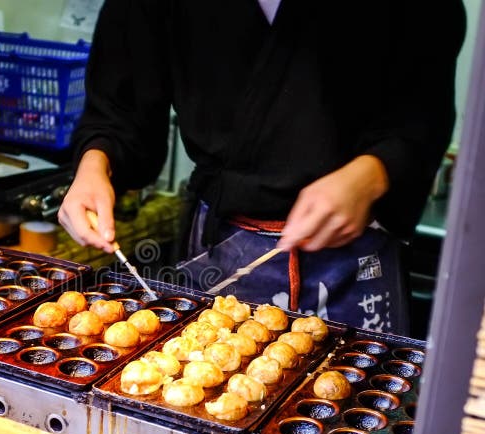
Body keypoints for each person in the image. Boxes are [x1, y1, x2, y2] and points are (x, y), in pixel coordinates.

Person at [58, 0, 466, 334]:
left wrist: (375, 172)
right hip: (223, 247)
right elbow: (120, 104)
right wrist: (96, 164)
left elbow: (423, 110)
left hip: (353, 255)